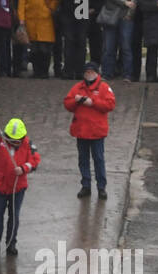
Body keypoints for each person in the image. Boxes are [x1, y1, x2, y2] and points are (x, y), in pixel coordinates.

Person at [0, 114, 40, 257]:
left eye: (16, 141)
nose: (13, 143)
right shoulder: (0, 140)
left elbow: (35, 161)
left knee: (14, 217)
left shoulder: (28, 145)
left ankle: (11, 244)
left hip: (17, 188)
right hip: (0, 187)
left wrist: (23, 169)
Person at [64, 60, 115, 199]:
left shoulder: (104, 87)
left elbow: (110, 105)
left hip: (97, 132)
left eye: (91, 72)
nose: (89, 74)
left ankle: (101, 187)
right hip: (81, 131)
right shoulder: (77, 87)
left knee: (98, 159)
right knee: (83, 160)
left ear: (96, 73)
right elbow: (67, 103)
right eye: (87, 72)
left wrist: (92, 102)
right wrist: (76, 101)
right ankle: (86, 185)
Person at [16, 0, 56, 78]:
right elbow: (21, 4)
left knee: (44, 49)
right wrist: (21, 19)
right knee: (34, 49)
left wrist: (51, 8)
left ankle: (44, 72)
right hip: (31, 20)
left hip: (45, 19)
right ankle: (37, 71)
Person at [98, 0, 135, 82]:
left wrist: (130, 14)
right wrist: (124, 3)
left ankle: (127, 75)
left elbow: (134, 3)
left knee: (126, 47)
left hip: (126, 18)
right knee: (108, 47)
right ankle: (107, 73)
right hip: (110, 15)